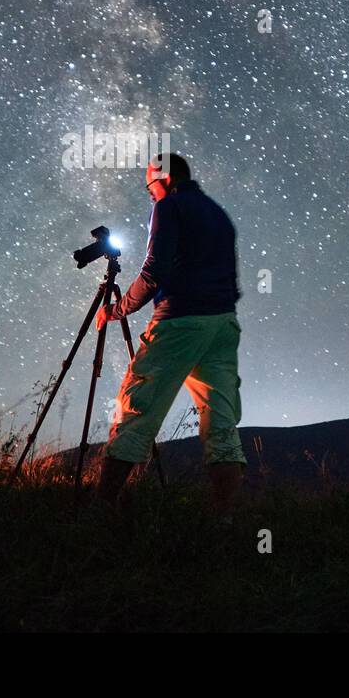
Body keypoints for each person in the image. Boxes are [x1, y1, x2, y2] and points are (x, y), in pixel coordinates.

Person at [93, 152, 246, 519]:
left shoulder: (169, 207)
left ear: (163, 180)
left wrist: (115, 310)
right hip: (223, 325)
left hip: (180, 321)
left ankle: (99, 512)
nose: (149, 194)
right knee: (221, 422)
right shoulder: (217, 213)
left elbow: (154, 271)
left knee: (137, 408)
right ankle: (223, 520)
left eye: (149, 186)